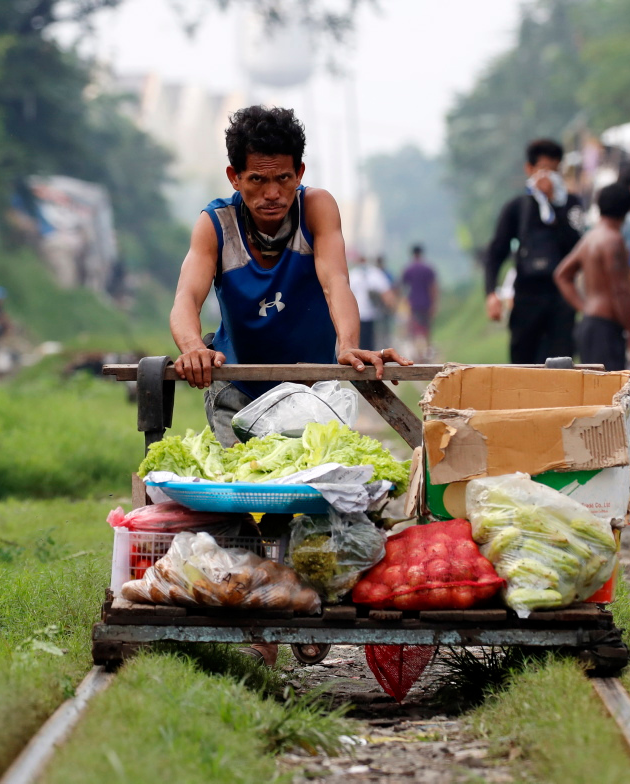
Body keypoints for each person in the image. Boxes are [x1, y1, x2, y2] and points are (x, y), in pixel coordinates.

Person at [168, 106, 411, 667]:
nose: (272, 193)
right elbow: (186, 298)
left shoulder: (318, 208)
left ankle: (309, 606)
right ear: (234, 178)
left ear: (300, 172)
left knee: (316, 502)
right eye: (257, 179)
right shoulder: (215, 224)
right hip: (240, 384)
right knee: (238, 502)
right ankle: (249, 613)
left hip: (310, 389)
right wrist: (193, 350)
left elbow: (335, 279)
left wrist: (348, 345)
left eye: (283, 178)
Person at [485, 139, 584, 363]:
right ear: (529, 170)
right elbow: (496, 251)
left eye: (554, 170)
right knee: (523, 363)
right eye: (543, 169)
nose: (548, 176)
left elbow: (578, 246)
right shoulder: (517, 207)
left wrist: (555, 205)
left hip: (561, 295)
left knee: (562, 362)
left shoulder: (571, 204)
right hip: (527, 295)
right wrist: (491, 292)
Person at [553, 183, 630, 371]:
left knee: (596, 390)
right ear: (626, 210)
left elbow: (561, 275)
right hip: (605, 327)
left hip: (589, 324)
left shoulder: (589, 238)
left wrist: (585, 307)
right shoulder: (614, 240)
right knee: (610, 392)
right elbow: (620, 291)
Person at [348, 256, 395, 352]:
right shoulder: (375, 274)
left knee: (362, 342)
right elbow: (387, 294)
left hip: (362, 314)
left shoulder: (353, 274)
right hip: (369, 314)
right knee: (370, 342)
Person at [401, 244, 438, 361]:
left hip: (413, 303)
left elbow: (404, 288)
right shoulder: (428, 269)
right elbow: (433, 287)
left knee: (414, 329)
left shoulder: (408, 269)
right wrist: (434, 304)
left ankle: (417, 354)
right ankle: (427, 352)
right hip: (426, 303)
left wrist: (404, 303)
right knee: (426, 329)